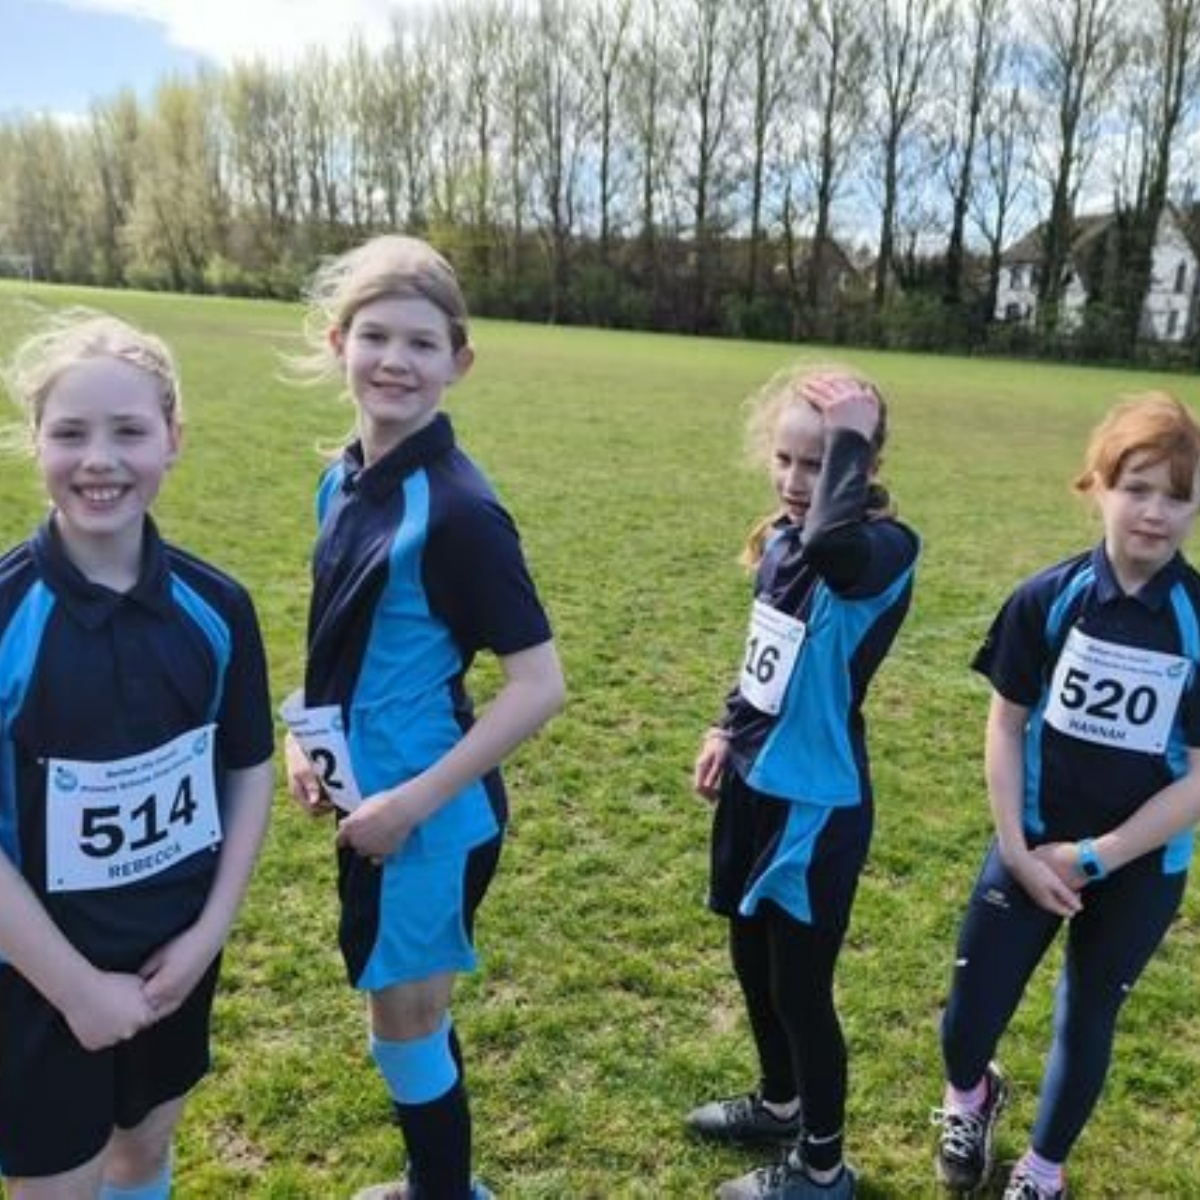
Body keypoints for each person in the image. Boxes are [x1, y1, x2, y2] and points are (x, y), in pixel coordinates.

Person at [283, 234, 565, 1200]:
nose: (395, 361)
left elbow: (539, 684)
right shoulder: (342, 476)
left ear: (459, 360)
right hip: (371, 803)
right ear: (338, 342)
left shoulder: (457, 512)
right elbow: (341, 631)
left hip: (427, 822)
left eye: (421, 342)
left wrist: (409, 804)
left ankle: (442, 1192)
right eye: (374, 336)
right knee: (399, 1011)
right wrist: (305, 735)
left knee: (403, 1022)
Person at [0, 311, 275, 1198]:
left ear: (173, 441)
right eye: (70, 432)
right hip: (34, 981)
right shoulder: (6, 617)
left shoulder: (218, 607)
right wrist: (76, 988)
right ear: (34, 442)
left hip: (174, 964)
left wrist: (207, 935)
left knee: (146, 1151)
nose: (99, 460)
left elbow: (246, 769)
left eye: (129, 431)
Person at [934, 393, 1200, 1199]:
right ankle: (971, 1095)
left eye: (1179, 495)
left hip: (1137, 864)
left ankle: (1042, 1171)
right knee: (967, 1022)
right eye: (1138, 487)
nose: (1155, 513)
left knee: (1086, 1019)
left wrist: (1095, 858)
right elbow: (1007, 725)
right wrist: (1019, 849)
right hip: (1030, 843)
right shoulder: (1045, 598)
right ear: (1097, 486)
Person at [688, 366, 920, 1200]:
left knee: (801, 986)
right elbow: (767, 649)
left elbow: (835, 544)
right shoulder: (782, 539)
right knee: (752, 960)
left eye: (818, 465)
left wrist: (849, 432)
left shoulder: (883, 550)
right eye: (785, 460)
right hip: (756, 783)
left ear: (862, 463)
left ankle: (823, 1168)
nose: (793, 483)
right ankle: (781, 1103)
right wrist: (724, 725)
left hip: (814, 804)